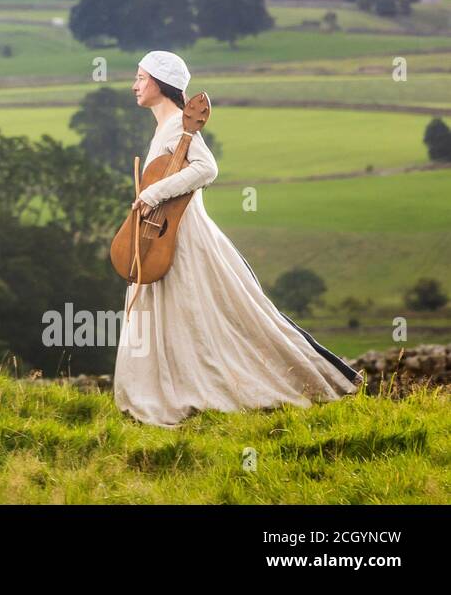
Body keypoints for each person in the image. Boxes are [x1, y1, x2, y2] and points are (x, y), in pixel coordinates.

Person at [114, 50, 361, 427]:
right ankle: (168, 386)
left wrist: (154, 193)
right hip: (164, 234)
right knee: (173, 312)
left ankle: (210, 386)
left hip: (183, 237)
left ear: (161, 84)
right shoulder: (165, 127)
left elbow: (206, 168)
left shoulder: (180, 125)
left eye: (141, 77)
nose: (134, 85)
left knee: (204, 312)